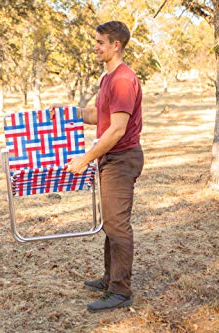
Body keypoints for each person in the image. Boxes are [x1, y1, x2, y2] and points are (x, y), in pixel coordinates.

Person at [53, 21, 144, 312]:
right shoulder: (108, 78)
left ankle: (120, 291)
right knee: (110, 222)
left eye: (100, 42)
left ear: (115, 45)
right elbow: (97, 115)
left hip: (121, 158)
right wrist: (69, 112)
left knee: (117, 225)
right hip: (110, 157)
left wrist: (86, 158)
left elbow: (117, 130)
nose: (95, 46)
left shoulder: (122, 80)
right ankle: (110, 279)